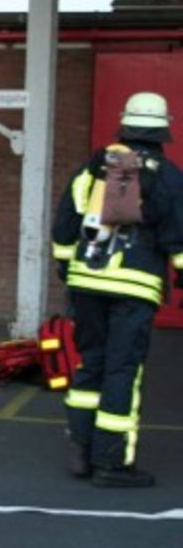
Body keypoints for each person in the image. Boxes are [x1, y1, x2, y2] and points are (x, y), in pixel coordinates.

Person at [52, 91, 183, 488]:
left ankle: (81, 451)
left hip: (87, 280)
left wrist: (66, 266)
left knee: (90, 361)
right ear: (163, 129)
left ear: (125, 123)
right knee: (123, 369)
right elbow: (177, 235)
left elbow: (65, 222)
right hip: (135, 285)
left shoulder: (95, 166)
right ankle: (112, 463)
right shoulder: (168, 175)